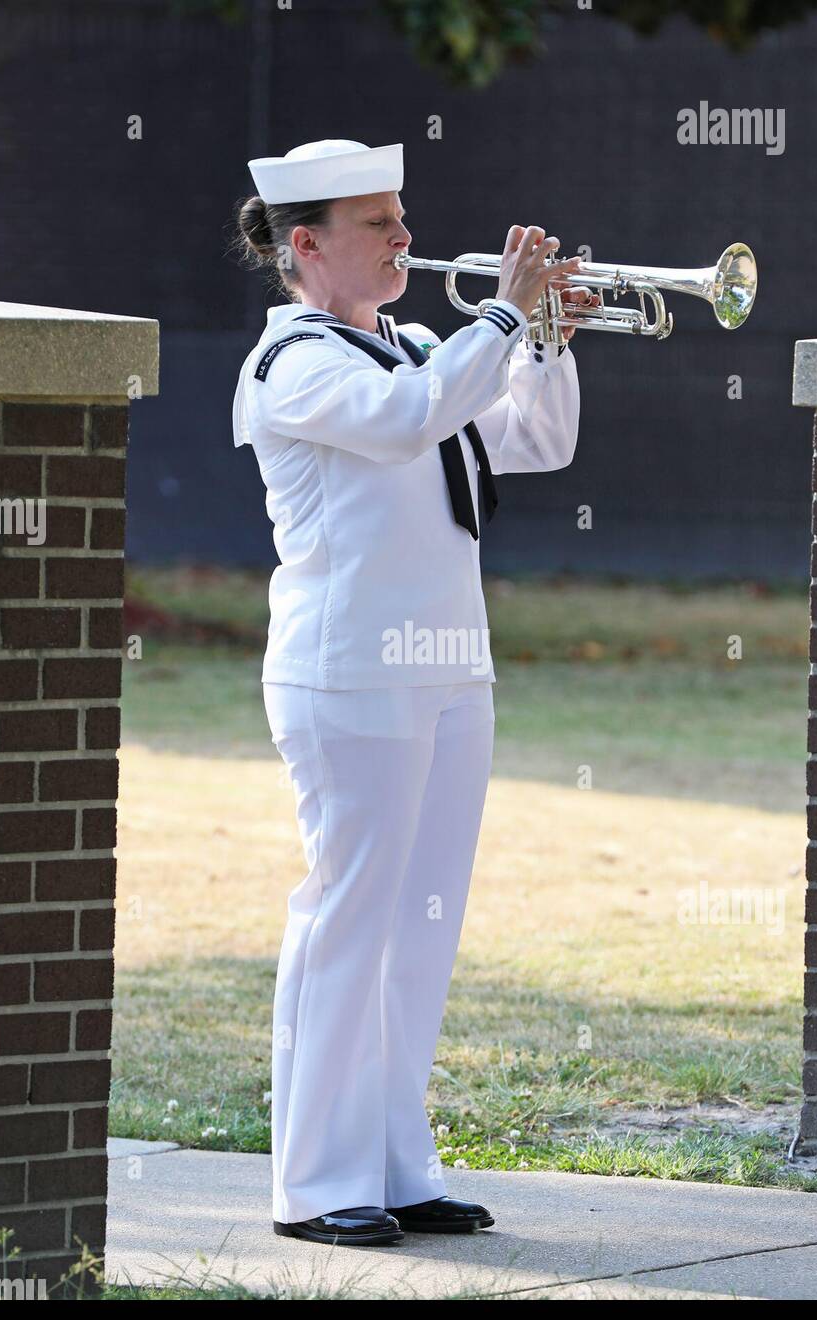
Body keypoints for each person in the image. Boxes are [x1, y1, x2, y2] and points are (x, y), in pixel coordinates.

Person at [232, 138, 589, 1246]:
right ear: (307, 245)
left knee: (419, 926)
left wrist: (543, 336)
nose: (402, 236)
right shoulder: (293, 360)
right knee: (348, 919)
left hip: (448, 668)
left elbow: (538, 439)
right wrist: (500, 319)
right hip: (349, 672)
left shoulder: (422, 340)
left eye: (399, 215)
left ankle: (393, 1162)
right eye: (377, 222)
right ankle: (315, 1184)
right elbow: (407, 418)